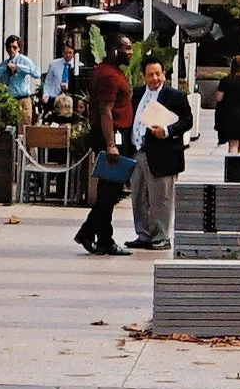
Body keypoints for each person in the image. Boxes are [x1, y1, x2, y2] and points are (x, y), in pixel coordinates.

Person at [125, 57, 194, 251]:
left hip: (163, 154)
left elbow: (186, 121)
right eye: (150, 75)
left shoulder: (175, 96)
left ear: (164, 74)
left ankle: (161, 236)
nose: (155, 78)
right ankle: (143, 234)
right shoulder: (138, 93)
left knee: (160, 198)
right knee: (139, 196)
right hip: (138, 151)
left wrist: (167, 130)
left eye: (158, 74)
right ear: (144, 76)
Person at [73, 43, 136, 255]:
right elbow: (105, 110)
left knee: (109, 191)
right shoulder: (109, 75)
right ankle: (100, 238)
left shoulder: (109, 71)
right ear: (115, 50)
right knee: (109, 191)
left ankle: (94, 235)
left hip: (116, 135)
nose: (131, 52)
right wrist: (111, 144)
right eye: (127, 48)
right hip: (112, 136)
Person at [41, 33, 79, 123]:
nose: (68, 55)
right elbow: (48, 82)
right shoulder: (54, 64)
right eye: (66, 53)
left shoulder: (78, 66)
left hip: (69, 101)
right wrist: (45, 94)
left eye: (70, 53)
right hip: (54, 97)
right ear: (62, 52)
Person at [0, 35, 38, 103]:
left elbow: (37, 73)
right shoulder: (5, 63)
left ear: (19, 48)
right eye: (9, 47)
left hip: (23, 98)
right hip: (10, 99)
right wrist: (5, 69)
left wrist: (18, 67)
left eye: (14, 47)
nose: (11, 50)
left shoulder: (24, 60)